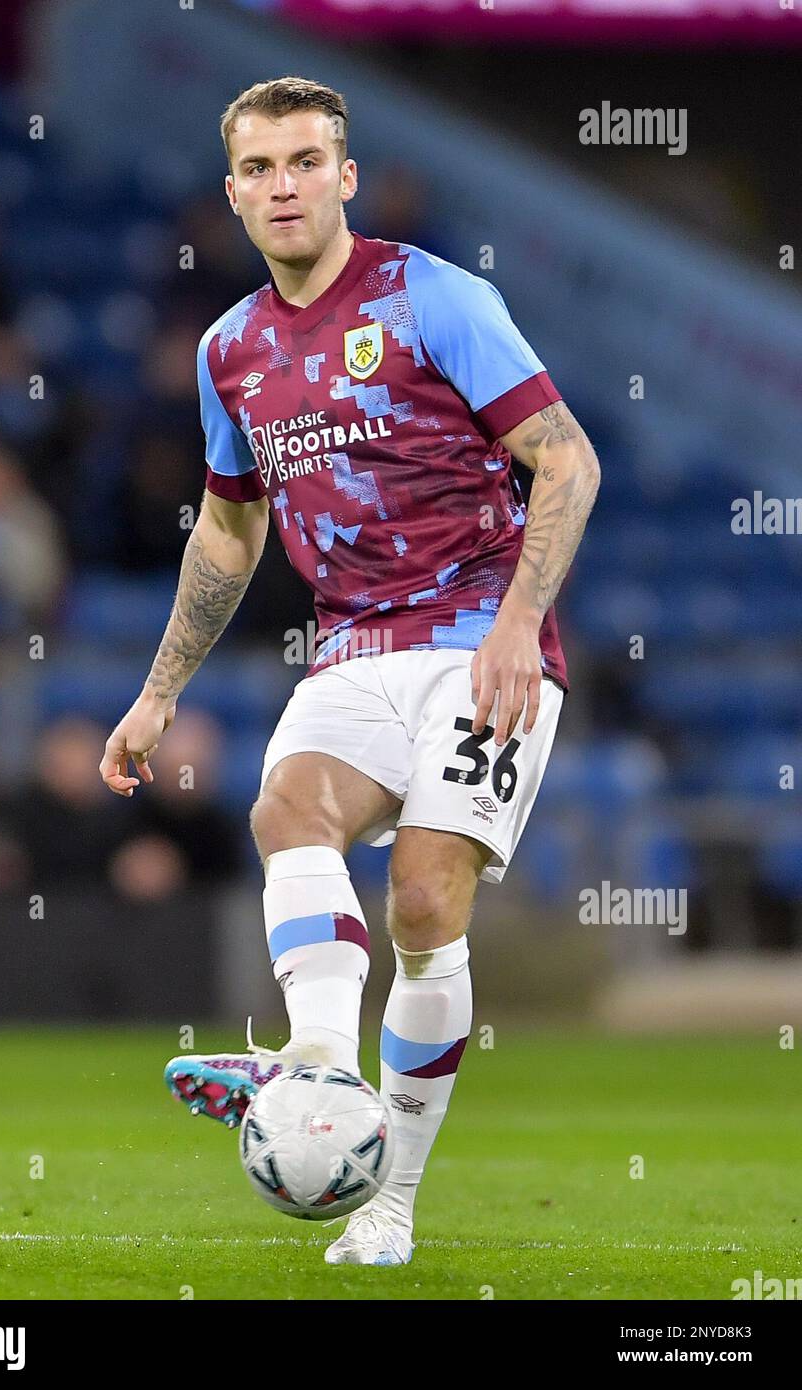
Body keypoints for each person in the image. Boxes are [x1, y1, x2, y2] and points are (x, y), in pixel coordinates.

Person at [100, 76, 600, 1266]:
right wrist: (157, 690)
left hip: (483, 633)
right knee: (286, 807)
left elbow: (566, 461)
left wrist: (518, 621)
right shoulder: (230, 350)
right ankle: (315, 1064)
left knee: (426, 905)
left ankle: (387, 1202)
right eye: (261, 168)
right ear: (233, 192)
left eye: (306, 161)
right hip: (352, 648)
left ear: (344, 176)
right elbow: (229, 529)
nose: (285, 185)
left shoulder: (433, 295)